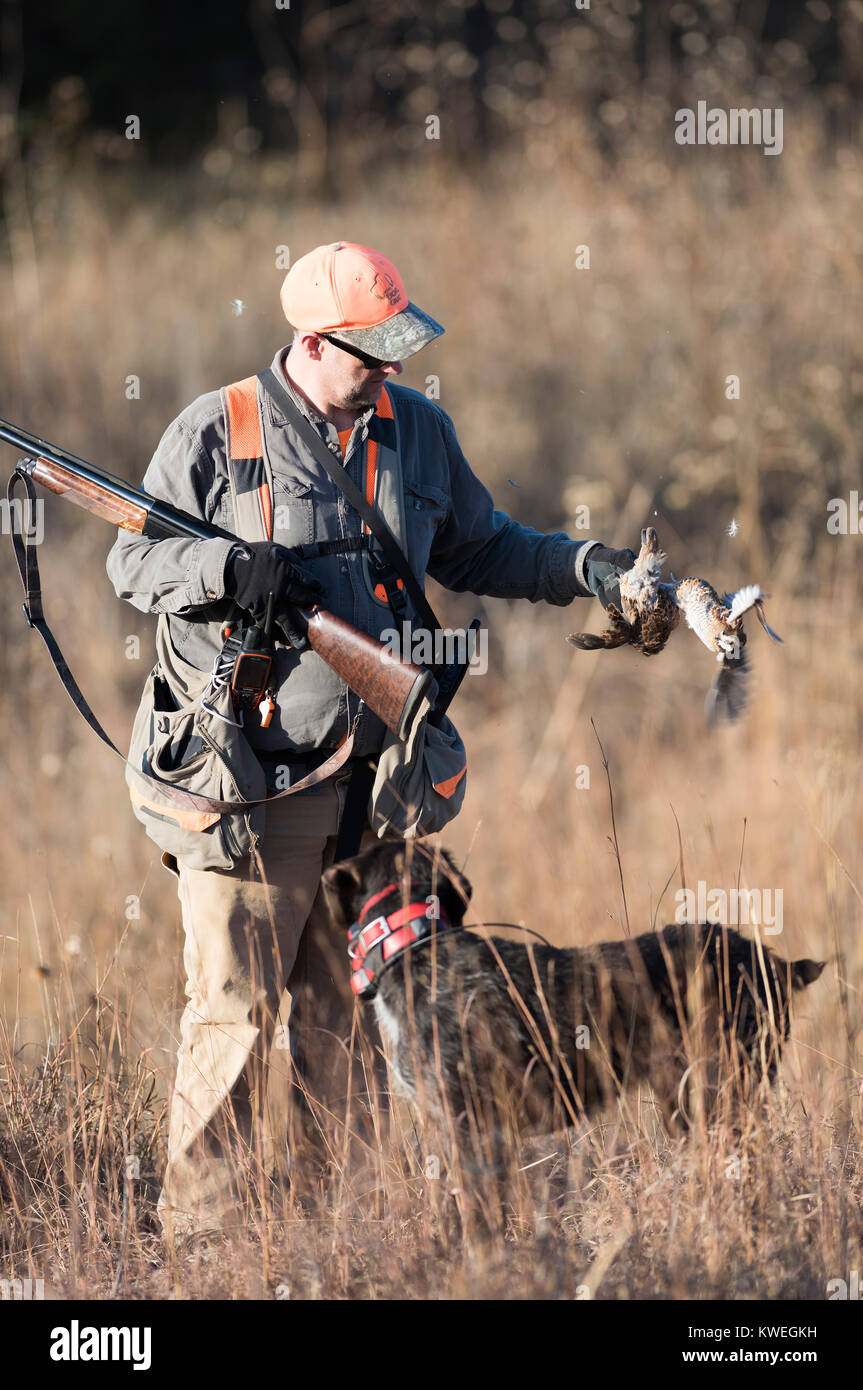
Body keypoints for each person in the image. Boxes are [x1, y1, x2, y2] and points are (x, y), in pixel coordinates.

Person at [106, 240, 635, 1239]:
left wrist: (591, 569)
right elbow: (132, 568)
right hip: (251, 781)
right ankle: (202, 1244)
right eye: (369, 353)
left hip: (380, 788)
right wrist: (227, 570)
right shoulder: (219, 429)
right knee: (234, 1012)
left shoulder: (418, 431)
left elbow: (487, 545)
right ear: (310, 341)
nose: (389, 369)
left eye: (398, 348)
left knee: (346, 1019)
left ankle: (335, 1239)